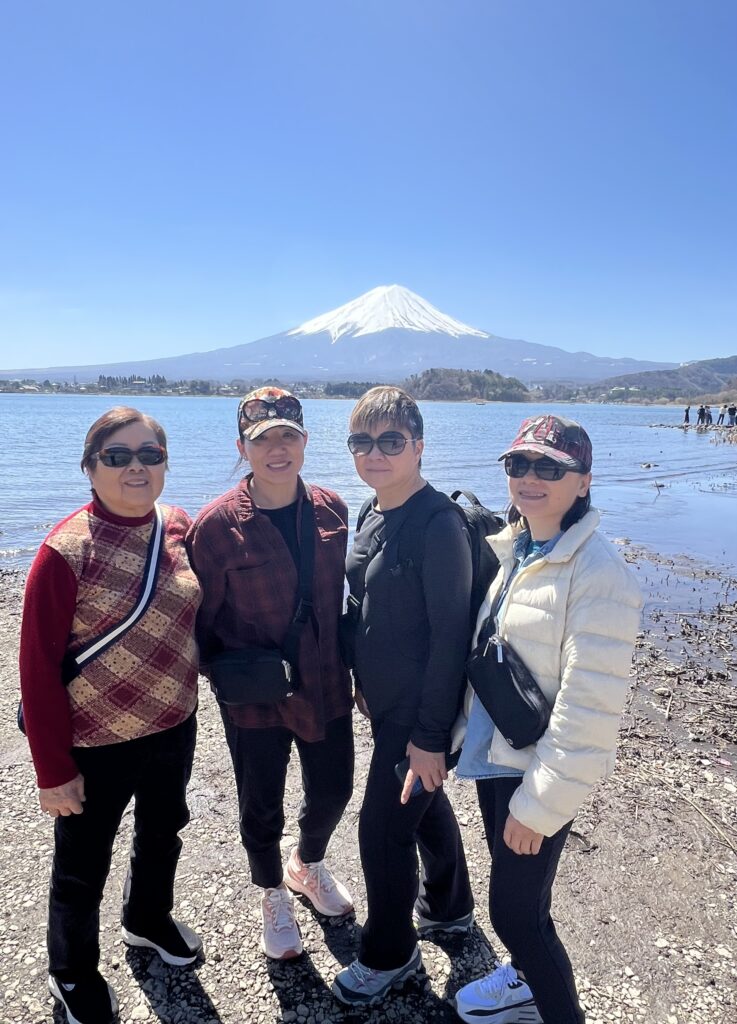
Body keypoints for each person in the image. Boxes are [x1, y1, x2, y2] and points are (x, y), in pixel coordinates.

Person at [453, 414, 642, 1024]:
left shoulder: (598, 574)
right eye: (518, 464)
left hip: (534, 770)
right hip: (499, 754)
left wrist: (538, 807)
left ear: (583, 481)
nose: (529, 478)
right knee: (522, 903)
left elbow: (589, 713)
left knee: (515, 915)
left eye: (548, 467)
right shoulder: (521, 548)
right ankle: (524, 980)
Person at [19, 407, 203, 1024]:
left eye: (150, 455)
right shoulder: (64, 550)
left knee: (163, 831)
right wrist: (52, 772)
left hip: (173, 724)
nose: (135, 468)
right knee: (82, 863)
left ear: (165, 464)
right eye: (117, 456)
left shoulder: (176, 526)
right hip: (93, 740)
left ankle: (147, 919)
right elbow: (37, 670)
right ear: (90, 466)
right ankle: (71, 972)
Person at [186, 387, 354, 962]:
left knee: (334, 789)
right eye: (262, 440)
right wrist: (226, 678)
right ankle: (272, 894)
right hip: (254, 694)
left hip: (326, 682)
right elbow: (200, 618)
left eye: (288, 436)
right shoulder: (216, 527)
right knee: (260, 804)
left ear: (305, 442)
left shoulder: (333, 510)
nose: (277, 449)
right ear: (242, 448)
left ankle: (307, 864)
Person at [332, 386, 474, 1007]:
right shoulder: (373, 509)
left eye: (391, 441)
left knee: (382, 830)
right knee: (422, 802)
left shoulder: (438, 525)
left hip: (419, 712)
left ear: (418, 446)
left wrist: (429, 737)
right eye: (361, 441)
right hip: (385, 703)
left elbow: (450, 639)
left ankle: (390, 953)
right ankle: (448, 906)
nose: (375, 453)